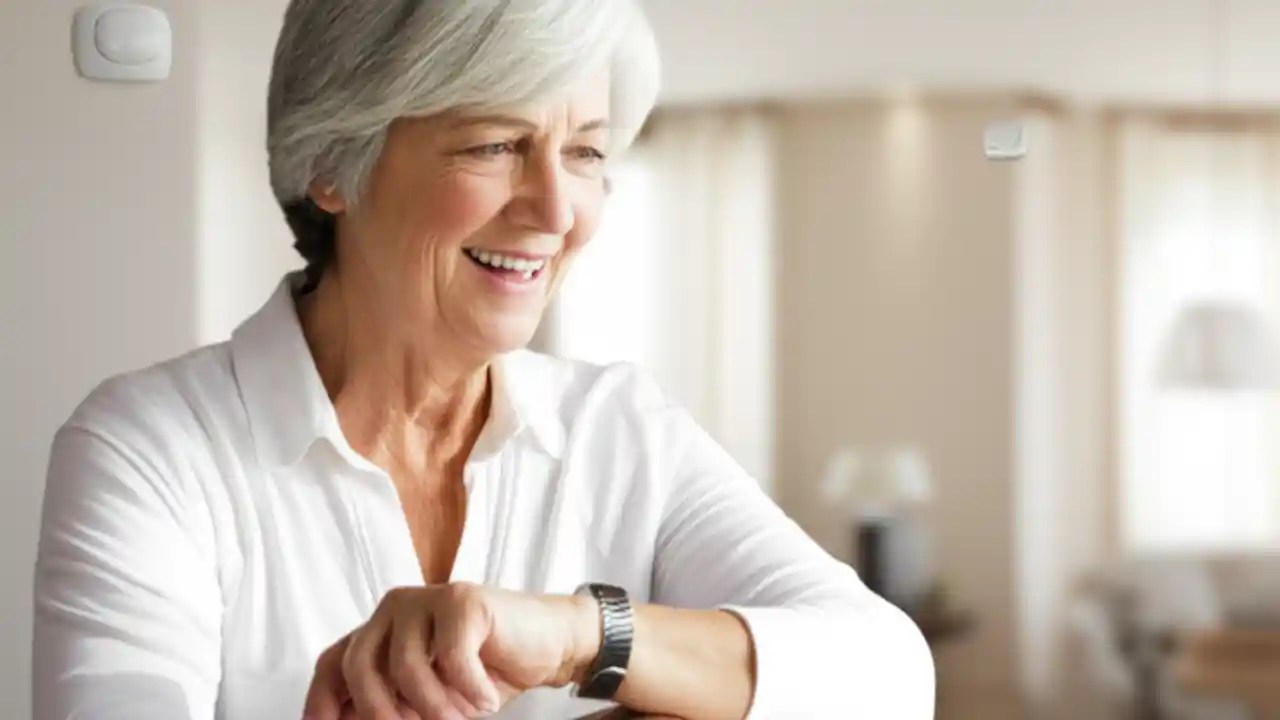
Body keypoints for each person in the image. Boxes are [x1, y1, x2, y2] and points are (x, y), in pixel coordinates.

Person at [31, 1, 934, 718]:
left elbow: (889, 677)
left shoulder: (620, 431)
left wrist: (577, 637)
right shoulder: (149, 447)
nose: (555, 207)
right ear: (335, 167)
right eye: (496, 144)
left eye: (584, 151)